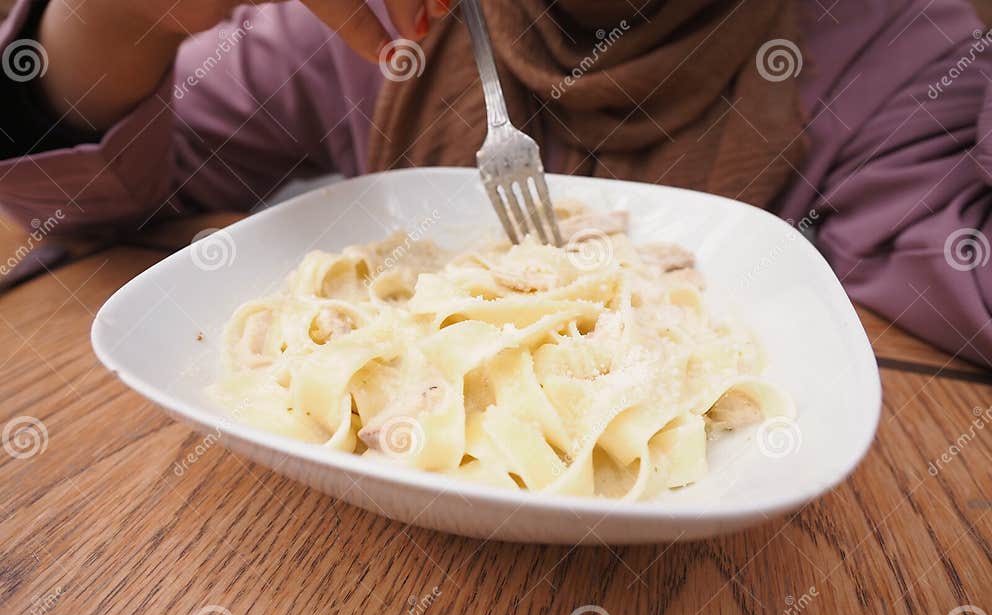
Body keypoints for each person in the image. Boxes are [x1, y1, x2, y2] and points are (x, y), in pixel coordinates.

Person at [0, 0, 990, 366]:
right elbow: (84, 196)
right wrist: (114, 16)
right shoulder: (372, 25)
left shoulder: (904, 51)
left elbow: (958, 285)